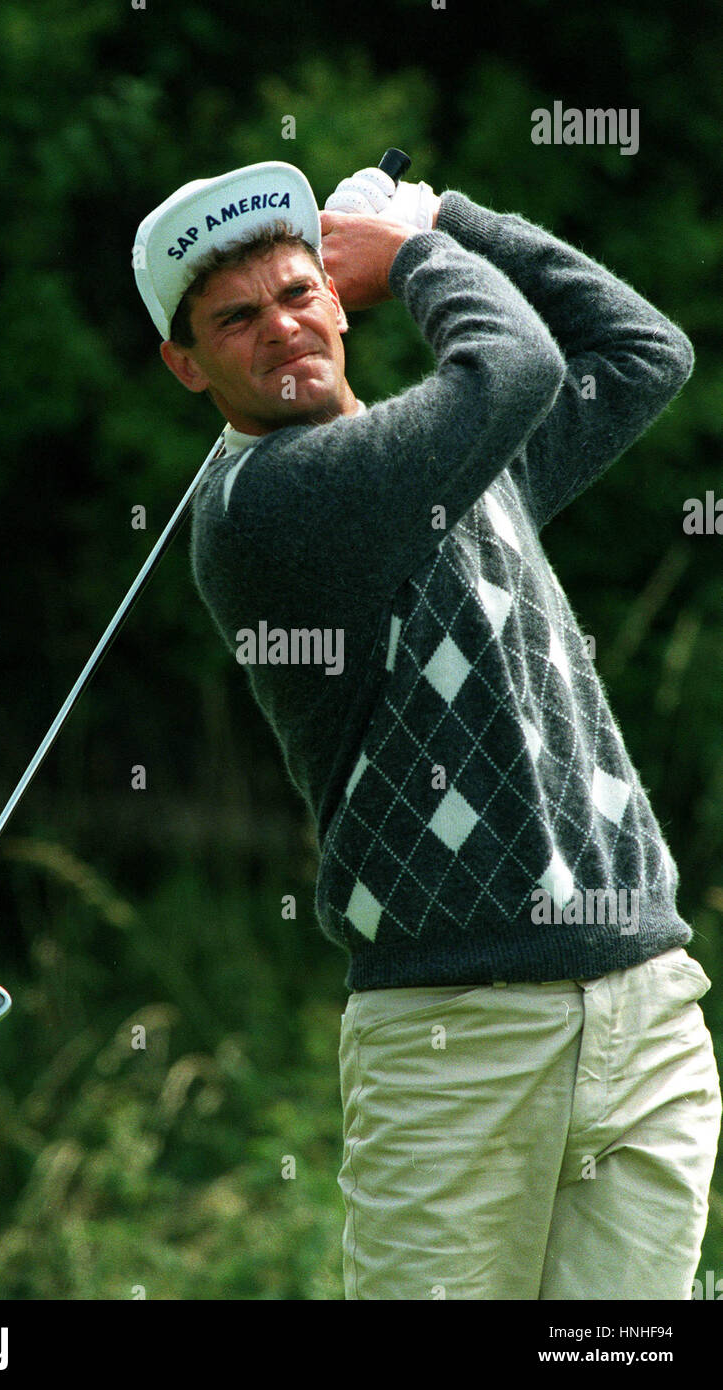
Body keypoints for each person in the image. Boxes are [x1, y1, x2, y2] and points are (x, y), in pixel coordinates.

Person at [132, 160, 721, 1299]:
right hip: (453, 1036)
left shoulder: (451, 460)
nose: (281, 329)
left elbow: (645, 352)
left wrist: (451, 213)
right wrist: (412, 254)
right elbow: (515, 364)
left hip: (642, 1003)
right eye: (235, 320)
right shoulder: (266, 509)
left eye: (300, 292)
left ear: (333, 301)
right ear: (184, 364)